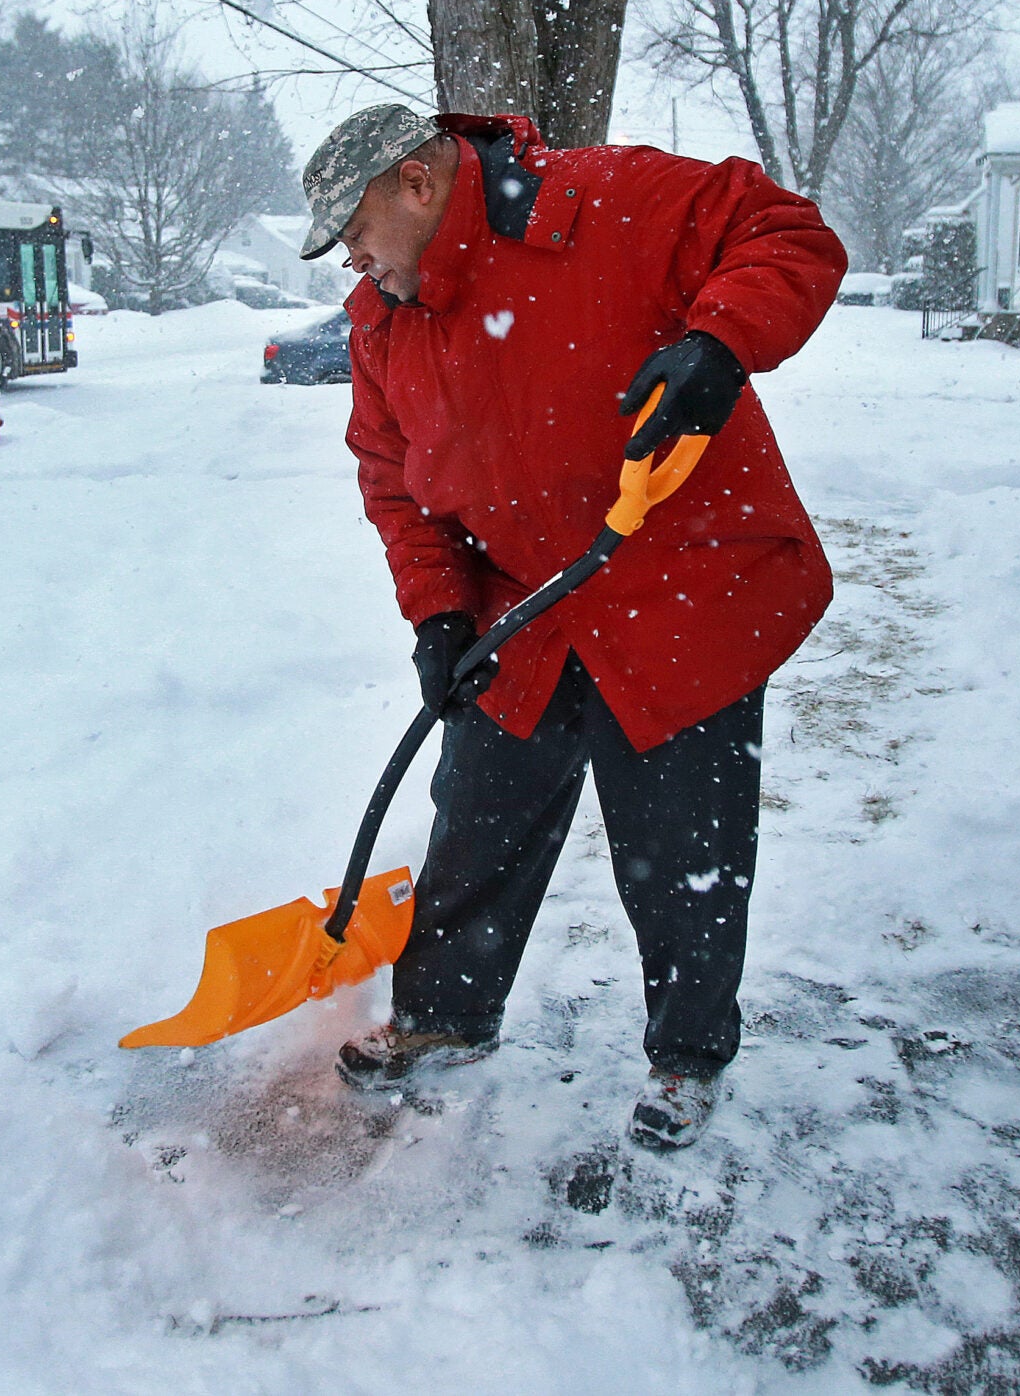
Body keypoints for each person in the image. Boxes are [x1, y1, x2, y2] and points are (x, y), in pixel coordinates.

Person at [300, 103, 843, 1149]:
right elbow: (391, 479)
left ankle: (687, 1053)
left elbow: (786, 233)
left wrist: (719, 343)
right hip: (524, 609)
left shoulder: (607, 201)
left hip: (685, 591)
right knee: (474, 815)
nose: (354, 260)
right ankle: (443, 1017)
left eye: (356, 229)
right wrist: (439, 611)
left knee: (685, 843)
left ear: (416, 183)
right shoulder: (384, 323)